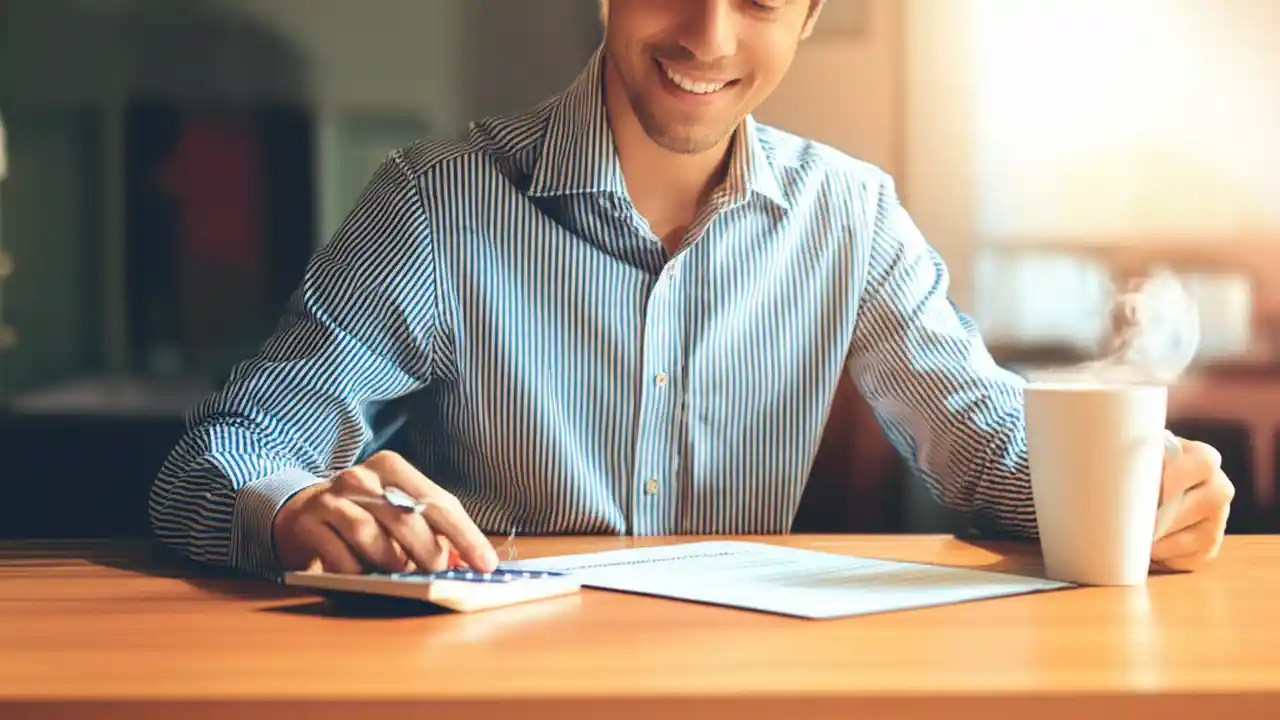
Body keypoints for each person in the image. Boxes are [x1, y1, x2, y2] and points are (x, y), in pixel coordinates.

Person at [150, 0, 1234, 580]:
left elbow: (986, 448)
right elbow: (218, 459)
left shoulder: (849, 218)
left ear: (809, 15)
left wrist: (1132, 489)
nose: (707, 37)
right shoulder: (436, 207)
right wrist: (292, 505)